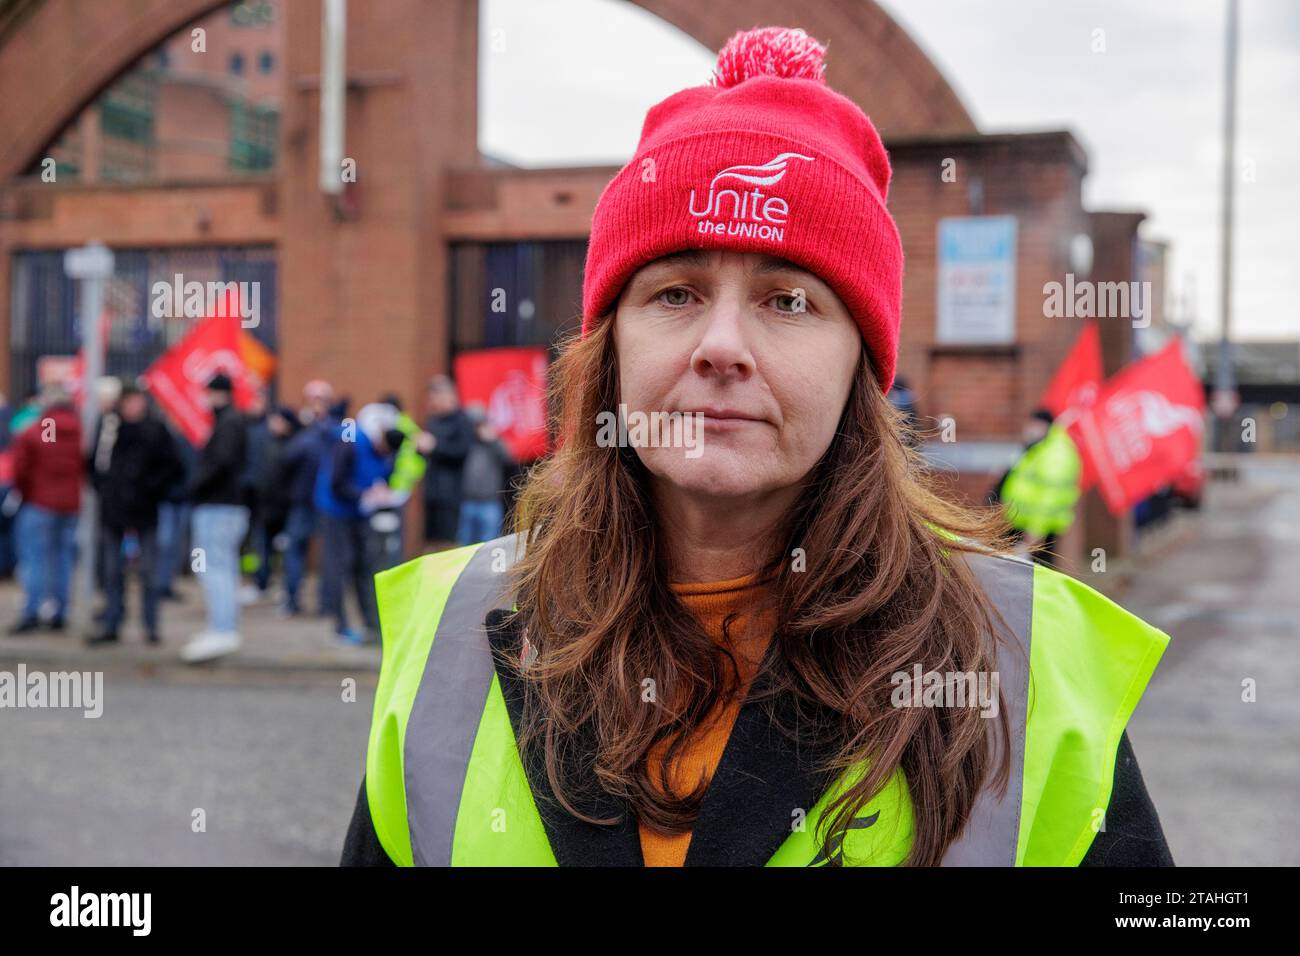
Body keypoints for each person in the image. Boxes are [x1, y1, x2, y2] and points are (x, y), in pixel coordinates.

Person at [341, 27, 1173, 868]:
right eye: (675, 293)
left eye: (788, 301)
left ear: (862, 366)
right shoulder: (455, 632)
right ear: (611, 348)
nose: (722, 345)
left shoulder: (1024, 666)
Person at [86, 382, 183, 645]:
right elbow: (94, 464)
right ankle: (112, 622)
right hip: (114, 510)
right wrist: (106, 489)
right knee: (112, 571)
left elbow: (173, 465)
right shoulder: (109, 428)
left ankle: (151, 626)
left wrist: (152, 488)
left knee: (149, 572)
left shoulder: (155, 429)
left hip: (145, 510)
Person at [313, 402, 404, 644]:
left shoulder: (387, 450)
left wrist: (381, 491)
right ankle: (340, 625)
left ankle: (371, 624)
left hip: (361, 514)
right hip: (338, 512)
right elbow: (336, 484)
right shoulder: (352, 442)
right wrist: (364, 494)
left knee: (365, 566)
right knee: (339, 565)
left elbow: (384, 475)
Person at [180, 373, 249, 663]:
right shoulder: (231, 421)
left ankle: (222, 628)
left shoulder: (228, 422)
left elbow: (220, 462)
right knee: (223, 567)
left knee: (215, 568)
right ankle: (223, 626)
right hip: (225, 505)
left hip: (218, 506)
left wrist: (194, 486)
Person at [9, 383, 82, 633]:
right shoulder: (80, 431)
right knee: (62, 559)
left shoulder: (37, 431)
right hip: (70, 505)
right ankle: (59, 612)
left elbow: (20, 469)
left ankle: (32, 611)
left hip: (39, 503)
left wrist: (25, 492)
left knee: (35, 560)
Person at [992, 408, 1082, 569]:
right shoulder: (1038, 448)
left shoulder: (1055, 454)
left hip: (1036, 530)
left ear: (1046, 426)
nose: (1029, 429)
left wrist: (1036, 530)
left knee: (1037, 576)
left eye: (1034, 425)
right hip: (1021, 525)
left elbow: (1051, 497)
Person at [421, 375, 473, 548]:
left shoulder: (461, 420)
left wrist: (434, 446)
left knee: (447, 544)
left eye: (436, 397)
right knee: (430, 542)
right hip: (432, 492)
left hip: (450, 494)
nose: (433, 402)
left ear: (449, 396)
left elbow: (461, 451)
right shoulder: (433, 421)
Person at [455, 403, 514, 545]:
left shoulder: (493, 440)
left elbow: (509, 458)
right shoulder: (466, 442)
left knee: (489, 546)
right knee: (464, 546)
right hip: (467, 501)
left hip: (490, 502)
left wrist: (493, 440)